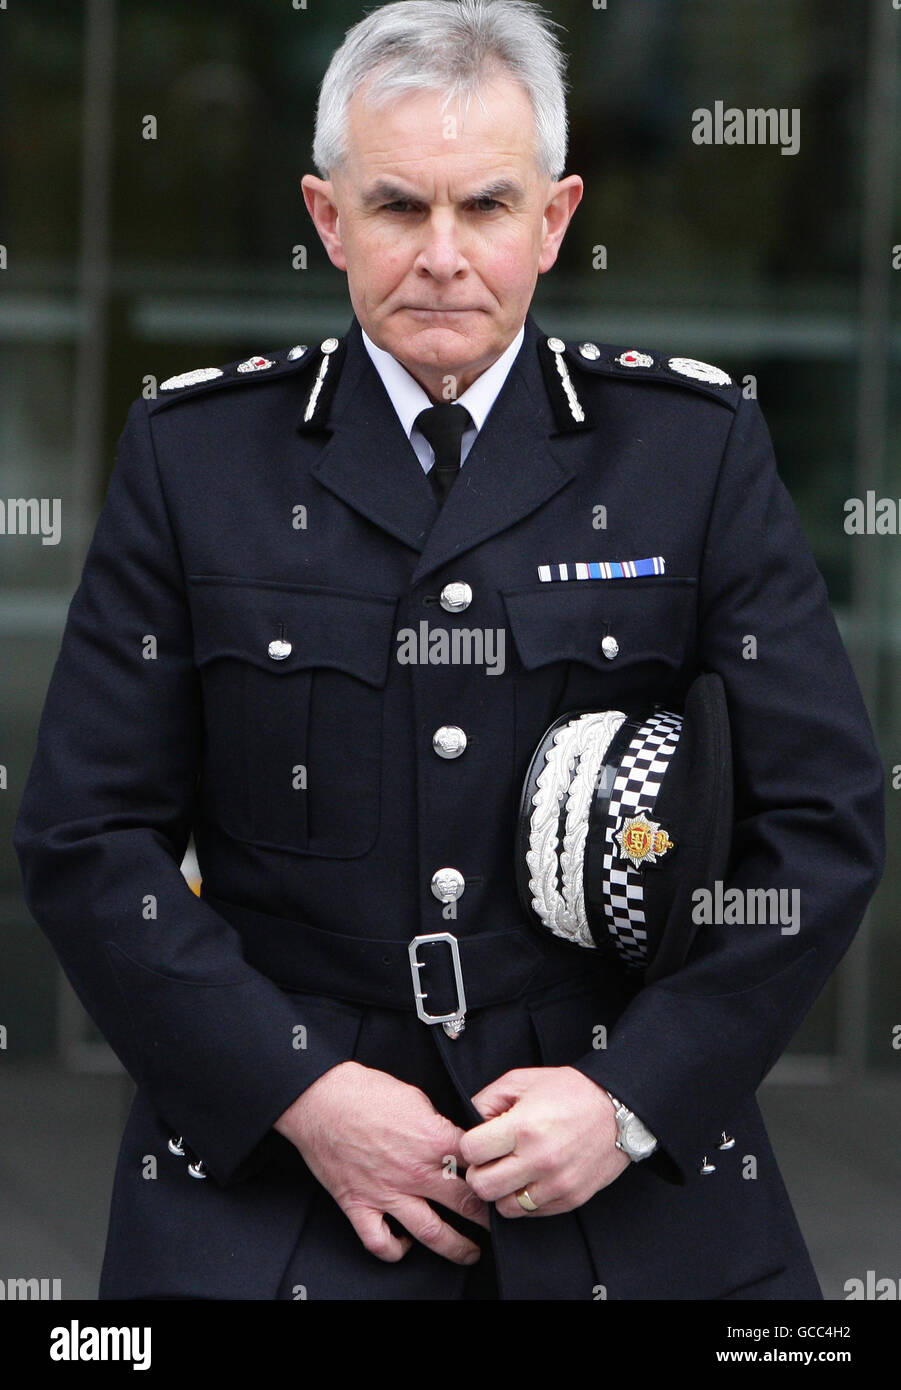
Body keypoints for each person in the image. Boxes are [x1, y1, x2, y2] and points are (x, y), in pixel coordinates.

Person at [14, 0, 884, 1301]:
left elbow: (821, 821)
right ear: (325, 219)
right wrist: (297, 1090)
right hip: (282, 1191)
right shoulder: (195, 460)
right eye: (396, 208)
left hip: (616, 1173)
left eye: (483, 207)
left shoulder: (687, 453)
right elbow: (87, 836)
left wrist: (632, 1096)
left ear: (553, 218)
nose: (440, 255)